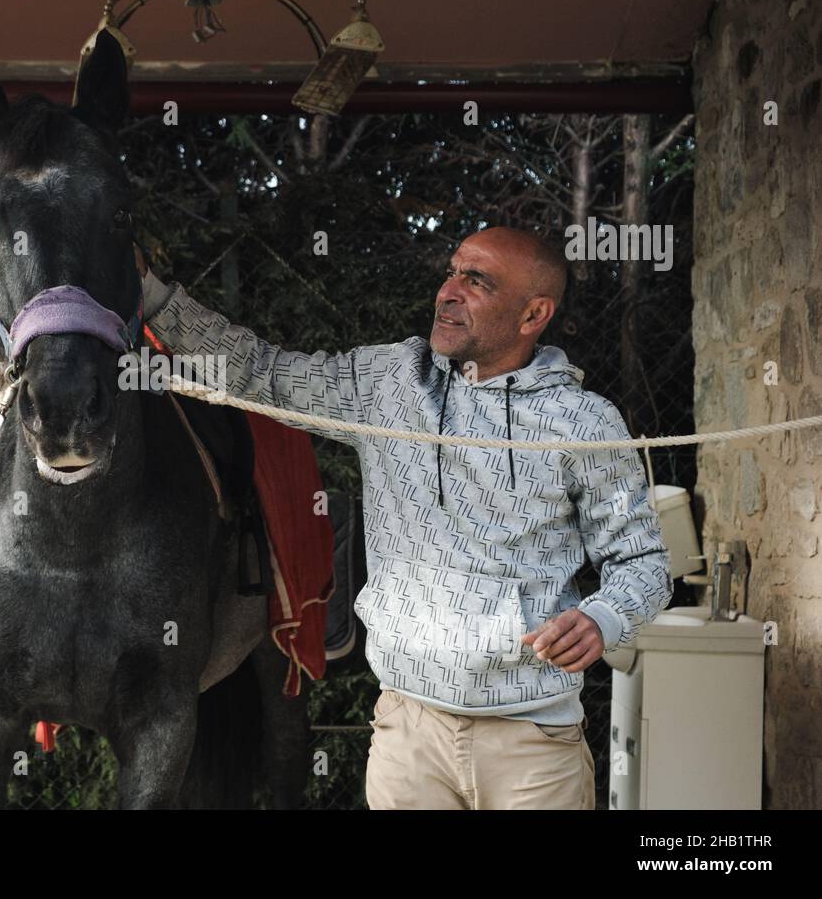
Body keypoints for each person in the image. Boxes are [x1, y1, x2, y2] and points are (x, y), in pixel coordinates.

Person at [136, 227, 671, 809]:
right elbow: (262, 373)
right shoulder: (389, 384)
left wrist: (603, 618)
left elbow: (642, 563)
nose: (448, 291)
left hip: (533, 745)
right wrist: (154, 297)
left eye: (477, 281)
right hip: (407, 735)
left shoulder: (585, 423)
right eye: (452, 271)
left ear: (533, 314)